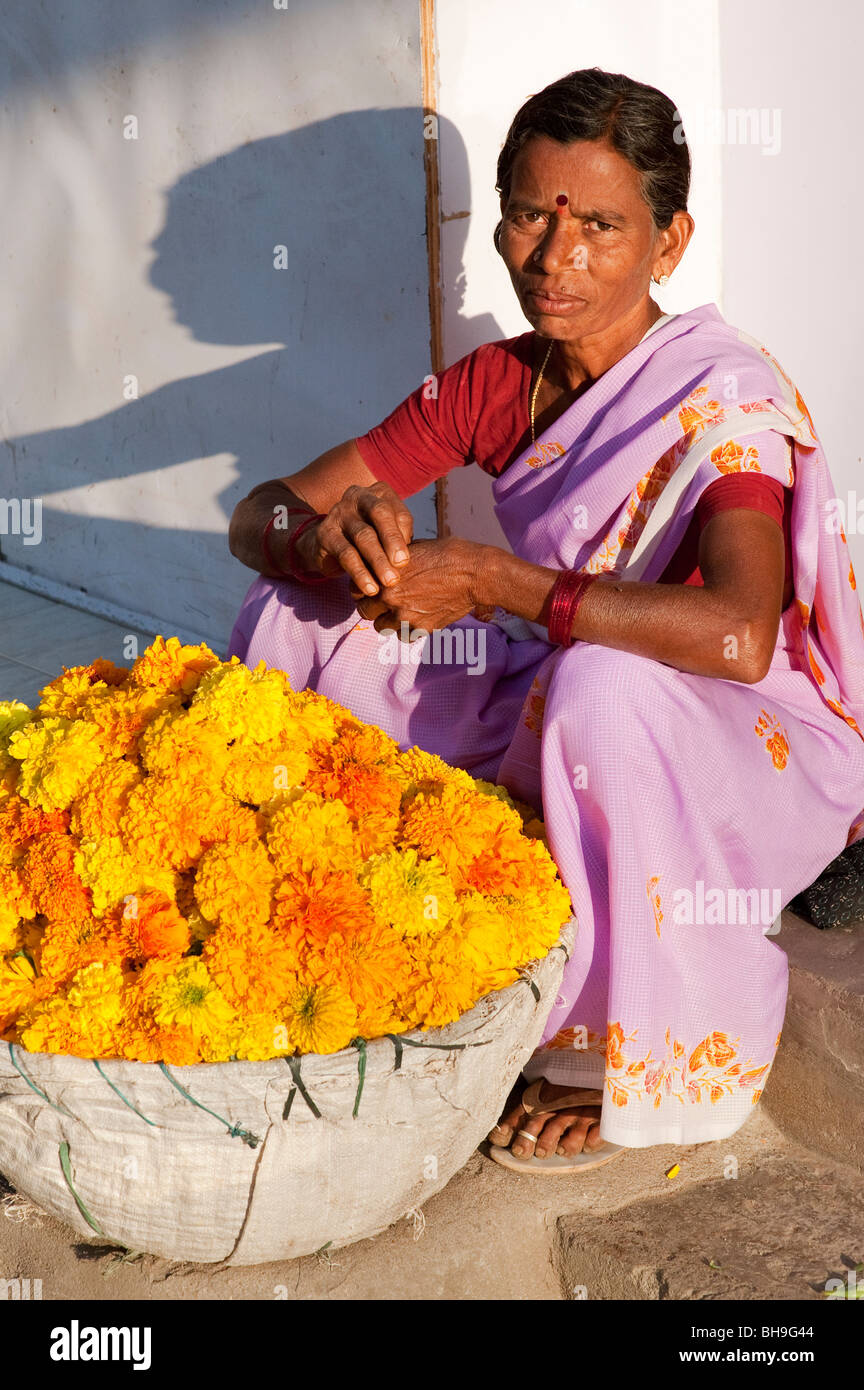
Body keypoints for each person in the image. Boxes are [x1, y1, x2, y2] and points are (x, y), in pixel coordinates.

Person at [227, 67, 864, 1173]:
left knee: (601, 687)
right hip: (567, 687)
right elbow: (262, 511)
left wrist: (487, 578)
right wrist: (323, 542)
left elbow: (739, 636)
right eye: (530, 215)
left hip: (744, 741)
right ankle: (323, 891)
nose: (554, 260)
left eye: (602, 227)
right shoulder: (497, 385)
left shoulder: (724, 399)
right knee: (289, 612)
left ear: (670, 243)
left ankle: (624, 1049)